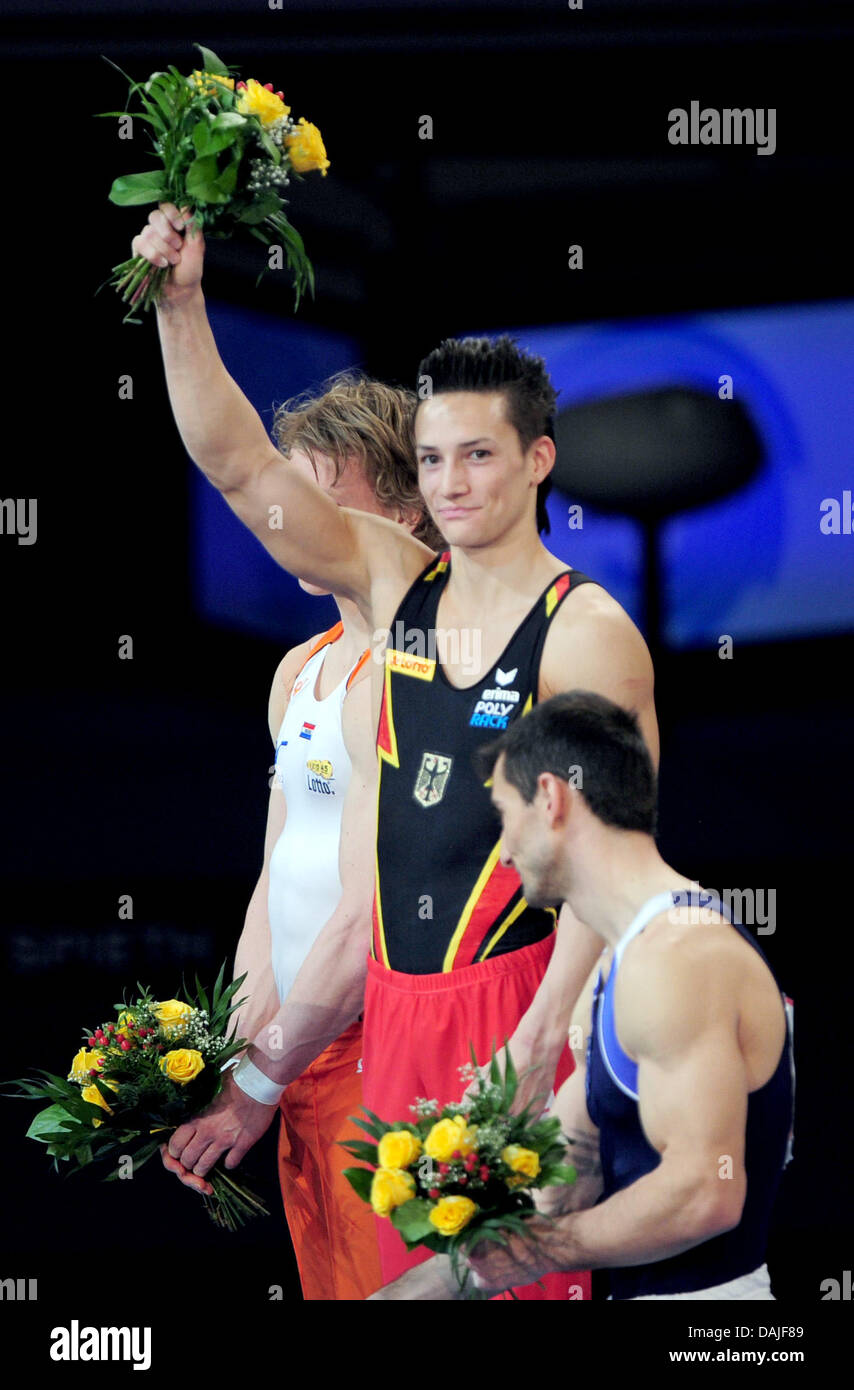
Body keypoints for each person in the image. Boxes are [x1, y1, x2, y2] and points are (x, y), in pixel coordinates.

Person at [133, 202, 658, 1299]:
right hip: (392, 1011)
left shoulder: (585, 632)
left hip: (509, 1003)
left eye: (479, 455)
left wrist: (539, 1040)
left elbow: (618, 883)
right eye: (433, 459)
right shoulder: (393, 583)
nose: (453, 482)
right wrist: (181, 306)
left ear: (536, 459)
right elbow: (239, 469)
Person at [159, 369, 443, 1300]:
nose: (292, 517)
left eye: (324, 496)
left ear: (402, 515)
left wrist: (256, 1087)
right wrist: (228, 1057)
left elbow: (369, 917)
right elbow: (277, 890)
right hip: (304, 1060)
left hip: (393, 1063)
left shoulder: (425, 671)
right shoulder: (299, 671)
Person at [375, 691, 793, 1299]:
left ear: (551, 797)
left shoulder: (682, 957)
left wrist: (536, 1254)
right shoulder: (621, 964)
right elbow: (560, 1184)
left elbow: (707, 1192)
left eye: (503, 814)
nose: (504, 849)